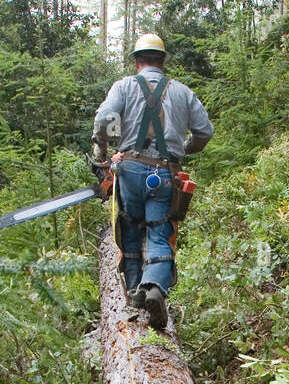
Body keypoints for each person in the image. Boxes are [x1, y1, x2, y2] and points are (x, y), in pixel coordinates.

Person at [91, 33, 214, 328]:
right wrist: (183, 150)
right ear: (162, 61)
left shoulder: (123, 86)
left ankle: (135, 293)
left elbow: (104, 120)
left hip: (130, 170)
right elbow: (204, 132)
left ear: (137, 61)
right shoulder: (183, 92)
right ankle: (155, 288)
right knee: (160, 231)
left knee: (130, 228)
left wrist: (102, 150)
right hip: (166, 173)